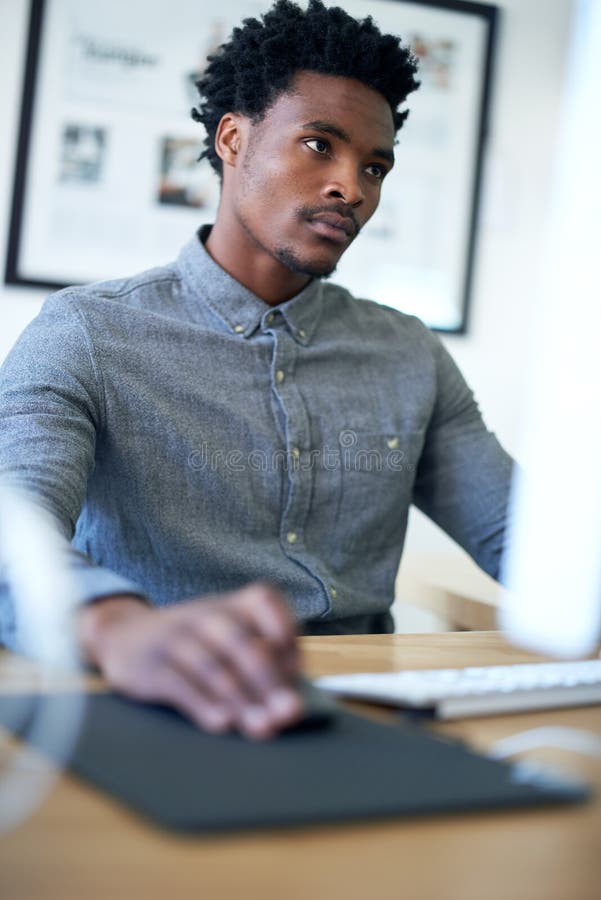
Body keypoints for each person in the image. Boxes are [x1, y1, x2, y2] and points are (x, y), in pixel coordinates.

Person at [0, 0, 513, 738]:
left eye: (374, 165)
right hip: (161, 708)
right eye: (318, 146)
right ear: (234, 139)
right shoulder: (88, 333)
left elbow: (516, 536)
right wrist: (116, 626)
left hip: (368, 718)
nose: (352, 187)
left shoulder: (409, 354)